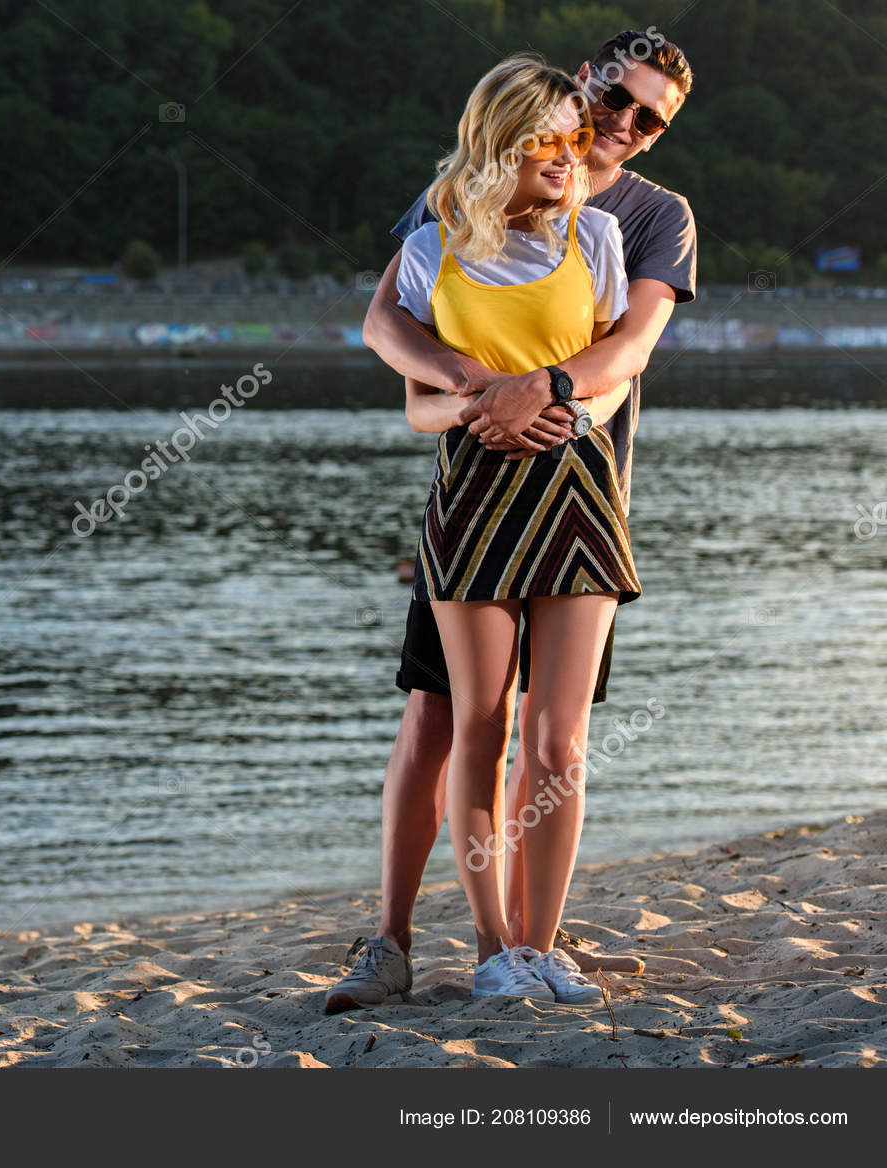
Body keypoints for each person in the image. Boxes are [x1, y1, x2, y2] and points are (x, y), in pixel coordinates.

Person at [326, 31, 696, 1011]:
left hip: (580, 494)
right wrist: (470, 392)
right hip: (471, 495)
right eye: (613, 98)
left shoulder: (647, 221)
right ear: (581, 80)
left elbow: (630, 349)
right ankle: (398, 939)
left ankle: (535, 942)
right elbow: (385, 331)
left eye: (647, 118)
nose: (620, 124)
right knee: (444, 719)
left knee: (554, 737)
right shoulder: (444, 216)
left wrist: (547, 398)